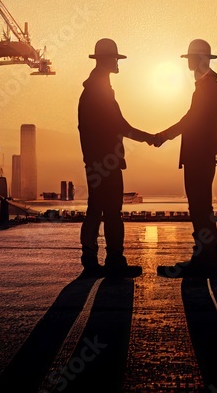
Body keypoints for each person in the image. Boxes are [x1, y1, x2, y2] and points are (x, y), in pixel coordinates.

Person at [78, 38, 159, 277]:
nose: (117, 62)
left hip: (97, 161)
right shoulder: (99, 91)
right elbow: (119, 125)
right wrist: (148, 137)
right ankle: (113, 260)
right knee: (111, 212)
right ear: (106, 61)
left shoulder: (94, 89)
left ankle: (90, 259)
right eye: (115, 58)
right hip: (105, 162)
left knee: (95, 209)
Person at [156, 39, 217, 277]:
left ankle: (204, 259)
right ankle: (208, 256)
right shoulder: (209, 87)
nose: (189, 64)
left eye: (190, 59)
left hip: (199, 157)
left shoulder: (207, 89)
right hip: (203, 156)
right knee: (201, 207)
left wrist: (163, 136)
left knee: (199, 207)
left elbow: (190, 120)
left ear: (197, 60)